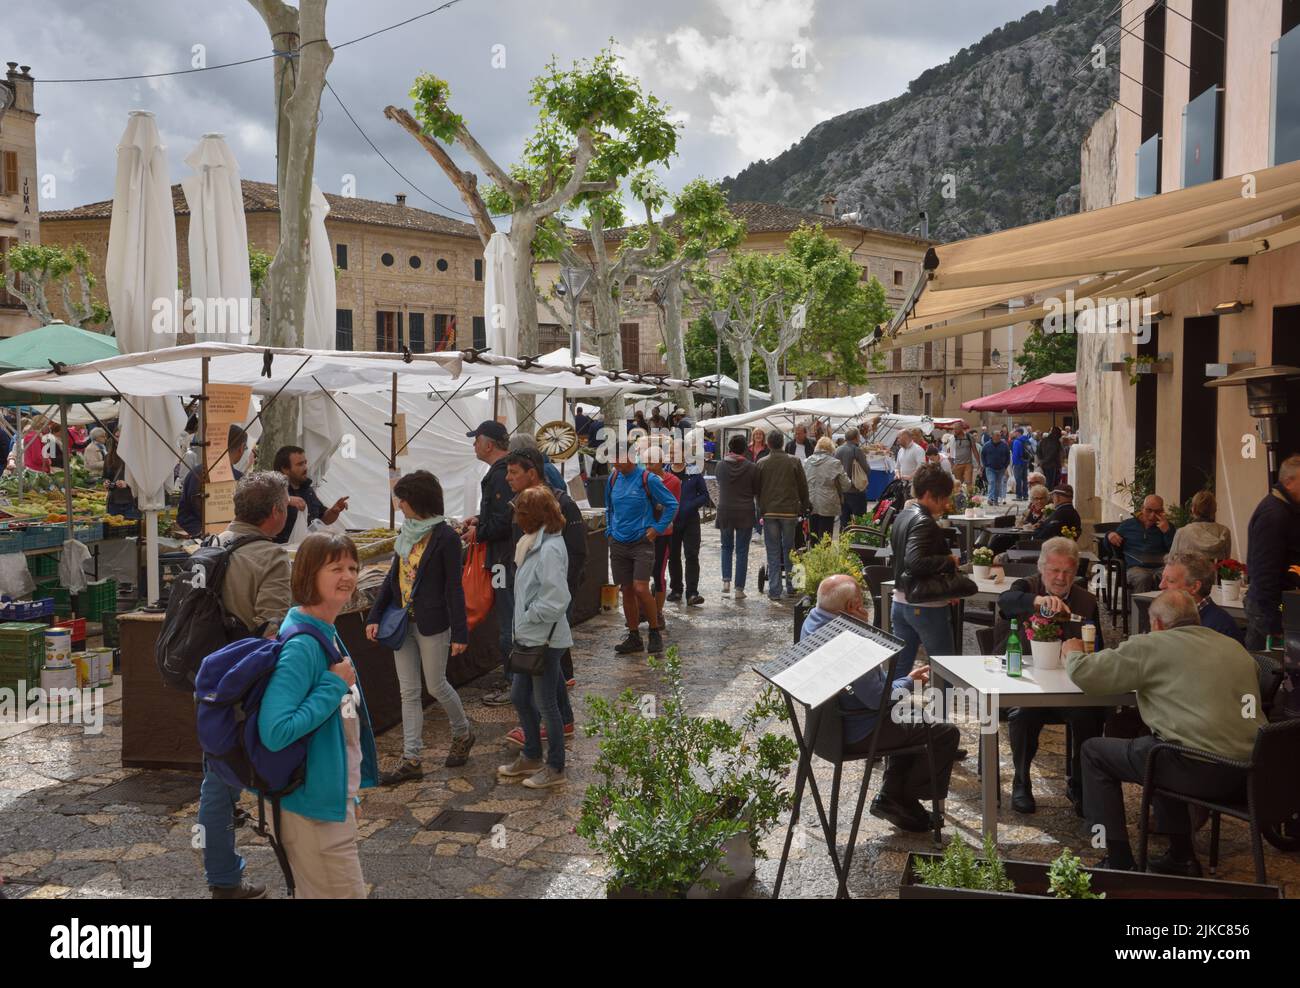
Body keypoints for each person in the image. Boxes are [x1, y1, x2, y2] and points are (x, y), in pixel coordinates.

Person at [1067, 589, 1265, 875]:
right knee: (1161, 743)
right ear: (1196, 618)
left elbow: (1090, 676)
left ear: (1157, 624)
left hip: (1198, 770)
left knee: (1095, 752)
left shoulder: (1153, 644)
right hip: (1250, 773)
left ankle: (1118, 858)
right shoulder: (1234, 647)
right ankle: (1181, 857)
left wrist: (1073, 654)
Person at [259, 533, 379, 899]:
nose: (348, 576)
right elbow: (276, 730)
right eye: (336, 568)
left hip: (326, 802)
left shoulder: (325, 630)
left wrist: (349, 795)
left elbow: (342, 729)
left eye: (352, 567)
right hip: (310, 809)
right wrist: (331, 686)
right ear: (309, 573)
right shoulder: (302, 645)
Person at [801, 575, 959, 832]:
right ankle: (903, 798)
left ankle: (891, 795)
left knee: (910, 715)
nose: (865, 607)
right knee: (944, 732)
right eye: (861, 602)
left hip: (823, 730)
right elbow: (878, 700)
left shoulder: (813, 621)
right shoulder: (848, 643)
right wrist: (907, 682)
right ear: (852, 607)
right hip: (857, 730)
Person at [199, 470, 293, 899]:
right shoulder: (270, 557)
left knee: (215, 777)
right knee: (269, 774)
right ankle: (234, 878)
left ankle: (223, 873)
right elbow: (272, 633)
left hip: (206, 679)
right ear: (275, 513)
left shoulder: (207, 547)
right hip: (243, 686)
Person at [366, 471, 474, 785]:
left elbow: (454, 587)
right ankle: (411, 758)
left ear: (418, 501)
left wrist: (460, 631)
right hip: (402, 621)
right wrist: (374, 616)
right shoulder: (407, 533)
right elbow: (392, 578)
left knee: (436, 685)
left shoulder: (446, 537)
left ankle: (463, 732)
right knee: (409, 692)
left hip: (432, 623)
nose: (399, 505)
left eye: (403, 499)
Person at [993, 537, 1106, 814]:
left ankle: (1079, 785)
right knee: (1023, 715)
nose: (1060, 577)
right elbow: (1005, 602)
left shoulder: (1086, 601)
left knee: (1091, 714)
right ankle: (1021, 782)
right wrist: (1037, 601)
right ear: (1042, 568)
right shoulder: (1027, 587)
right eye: (1054, 570)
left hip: (1068, 686)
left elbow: (1099, 648)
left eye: (1067, 571)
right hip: (1028, 684)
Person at [501, 448, 586, 749]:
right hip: (534, 604)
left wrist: (551, 605)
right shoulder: (522, 508)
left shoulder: (561, 506)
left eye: (513, 472)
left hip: (546, 607)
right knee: (546, 672)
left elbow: (576, 556)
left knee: (541, 680)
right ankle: (558, 724)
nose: (508, 478)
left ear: (532, 474)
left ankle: (549, 746)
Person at [498, 487, 573, 789]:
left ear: (534, 517)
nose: (516, 518)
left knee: (546, 704)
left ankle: (555, 767)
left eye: (521, 513)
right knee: (520, 696)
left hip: (543, 639)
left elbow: (557, 598)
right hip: (529, 637)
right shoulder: (533, 543)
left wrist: (529, 616)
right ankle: (531, 755)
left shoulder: (550, 549)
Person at [889, 464, 968, 682]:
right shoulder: (924, 521)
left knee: (900, 669)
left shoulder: (903, 515)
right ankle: (940, 715)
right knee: (944, 669)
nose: (946, 503)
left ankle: (888, 713)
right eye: (943, 497)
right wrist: (948, 561)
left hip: (901, 601)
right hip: (925, 607)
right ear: (929, 495)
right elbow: (915, 562)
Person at [461, 421, 516, 705]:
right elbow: (499, 514)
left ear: (489, 444)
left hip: (503, 560)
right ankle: (512, 676)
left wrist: (478, 531)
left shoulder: (501, 474)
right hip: (501, 560)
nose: (474, 446)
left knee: (508, 620)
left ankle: (513, 682)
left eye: (476, 440)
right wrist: (480, 520)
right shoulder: (502, 471)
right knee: (505, 617)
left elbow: (505, 521)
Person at [607, 445, 677, 656]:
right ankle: (634, 635)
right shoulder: (612, 479)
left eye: (619, 461)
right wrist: (610, 530)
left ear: (630, 458)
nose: (615, 465)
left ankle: (654, 631)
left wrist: (656, 529)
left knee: (640, 588)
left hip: (641, 542)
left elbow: (671, 504)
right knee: (626, 589)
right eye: (613, 461)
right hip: (618, 541)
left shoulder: (649, 479)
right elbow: (609, 507)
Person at [1243, 454, 1300, 650]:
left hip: (1282, 604)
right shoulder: (1274, 515)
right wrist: (1275, 621)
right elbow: (1265, 572)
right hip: (1271, 609)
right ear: (1289, 482)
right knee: (1266, 670)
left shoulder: (1286, 511)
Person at [757, 431, 810, 601]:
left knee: (772, 552)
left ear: (769, 444)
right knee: (790, 549)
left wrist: (761, 509)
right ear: (782, 443)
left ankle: (774, 590)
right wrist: (805, 506)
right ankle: (792, 586)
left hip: (770, 512)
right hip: (789, 512)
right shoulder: (794, 461)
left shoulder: (762, 463)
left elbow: (757, 490)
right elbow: (803, 486)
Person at [177, 426, 248, 538]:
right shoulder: (241, 480)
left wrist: (201, 532)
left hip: (202, 544)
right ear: (241, 448)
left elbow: (183, 516)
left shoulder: (194, 474)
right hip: (233, 542)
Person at [1159, 552, 1243, 643]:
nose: (1161, 585)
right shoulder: (1172, 616)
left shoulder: (1219, 627)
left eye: (1171, 581)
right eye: (1162, 578)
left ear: (1194, 587)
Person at [271, 446, 349, 544]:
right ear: (285, 469)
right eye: (300, 464)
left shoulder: (308, 489)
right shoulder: (273, 489)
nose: (305, 468)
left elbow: (322, 520)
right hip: (281, 551)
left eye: (305, 463)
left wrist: (334, 511)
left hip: (309, 549)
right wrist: (287, 500)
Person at [715, 433, 760, 598]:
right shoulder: (752, 467)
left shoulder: (720, 466)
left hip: (725, 511)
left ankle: (726, 581)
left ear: (729, 448)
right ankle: (739, 589)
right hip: (745, 512)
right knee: (742, 550)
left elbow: (720, 482)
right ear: (744, 450)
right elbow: (756, 490)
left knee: (726, 547)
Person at [642, 442, 681, 624]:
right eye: (646, 463)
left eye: (652, 463)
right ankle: (644, 609)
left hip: (663, 533)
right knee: (640, 573)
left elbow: (672, 507)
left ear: (660, 462)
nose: (648, 467)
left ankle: (657, 613)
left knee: (658, 572)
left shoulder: (672, 481)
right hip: (642, 531)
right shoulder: (642, 479)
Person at [1108, 494, 1177, 593]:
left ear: (1162, 511)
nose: (1153, 515)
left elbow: (1174, 551)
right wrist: (1109, 536)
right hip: (1135, 567)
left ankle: (1164, 607)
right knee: (1143, 577)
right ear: (1142, 509)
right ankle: (1139, 608)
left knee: (1171, 577)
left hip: (1160, 566)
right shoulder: (1128, 525)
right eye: (1149, 510)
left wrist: (1167, 532)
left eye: (1157, 512)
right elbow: (1110, 547)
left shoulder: (1167, 527)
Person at [668, 448, 710, 606]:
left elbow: (705, 496)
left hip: (690, 519)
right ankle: (676, 589)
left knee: (692, 555)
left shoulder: (694, 472)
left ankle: (692, 593)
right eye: (671, 453)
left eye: (676, 452)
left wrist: (689, 506)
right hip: (671, 520)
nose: (673, 456)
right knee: (673, 556)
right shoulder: (665, 473)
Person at [804, 436, 849, 544]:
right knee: (826, 534)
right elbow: (846, 485)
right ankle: (825, 559)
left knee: (813, 534)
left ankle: (814, 558)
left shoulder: (807, 461)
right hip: (828, 502)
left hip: (811, 501)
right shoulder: (834, 463)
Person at [1169, 490, 1231, 561]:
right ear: (1215, 509)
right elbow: (1226, 561)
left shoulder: (1182, 532)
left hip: (1190, 572)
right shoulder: (1224, 531)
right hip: (1216, 571)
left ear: (1193, 509)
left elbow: (1172, 561)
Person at [833, 426, 873, 528]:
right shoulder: (856, 450)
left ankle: (844, 542)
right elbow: (867, 469)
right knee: (860, 521)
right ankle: (857, 542)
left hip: (842, 491)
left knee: (844, 522)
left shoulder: (837, 450)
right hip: (856, 490)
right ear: (856, 437)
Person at [981, 430, 1010, 505]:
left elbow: (1008, 456)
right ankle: (990, 499)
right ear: (992, 436)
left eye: (999, 435)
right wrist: (985, 464)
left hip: (1001, 468)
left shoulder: (1004, 445)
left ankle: (996, 500)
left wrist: (1005, 466)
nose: (999, 437)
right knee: (992, 482)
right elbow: (983, 455)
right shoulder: (987, 445)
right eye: (997, 435)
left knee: (998, 484)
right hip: (990, 468)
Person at [949, 421, 980, 488]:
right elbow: (950, 453)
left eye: (956, 429)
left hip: (968, 464)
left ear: (961, 428)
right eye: (954, 429)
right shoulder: (953, 438)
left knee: (968, 483)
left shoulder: (969, 437)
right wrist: (952, 465)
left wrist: (979, 463)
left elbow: (974, 450)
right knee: (958, 484)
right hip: (957, 464)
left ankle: (969, 497)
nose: (954, 430)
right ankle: (959, 498)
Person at [1011, 428, 1031, 501]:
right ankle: (1025, 495)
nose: (1014, 433)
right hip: (1025, 462)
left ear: (1018, 433)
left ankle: (1019, 496)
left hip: (1018, 463)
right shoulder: (1027, 440)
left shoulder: (1016, 441)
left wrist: (1014, 463)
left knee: (1018, 480)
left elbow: (1016, 454)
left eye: (1015, 432)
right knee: (1025, 479)